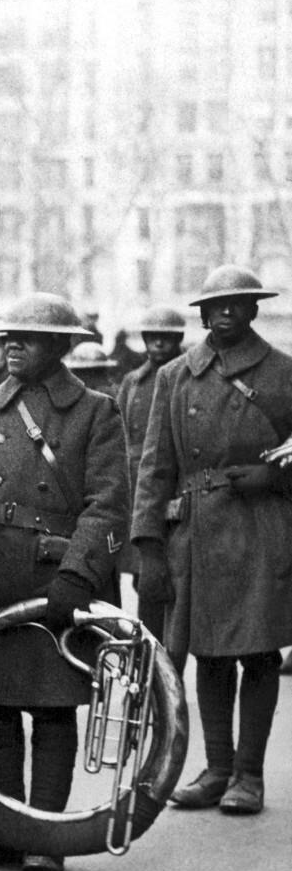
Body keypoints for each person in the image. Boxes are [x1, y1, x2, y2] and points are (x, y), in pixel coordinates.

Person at [0, 294, 127, 871]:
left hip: (55, 578)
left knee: (52, 711)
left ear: (61, 345)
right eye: (8, 336)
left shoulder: (95, 410)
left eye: (29, 336)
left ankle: (45, 832)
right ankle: (3, 830)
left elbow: (108, 504)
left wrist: (78, 573)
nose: (12, 345)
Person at [132, 265, 292, 817]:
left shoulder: (281, 372)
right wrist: (147, 545)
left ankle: (249, 774)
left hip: (263, 527)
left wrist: (278, 477)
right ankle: (217, 767)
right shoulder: (176, 376)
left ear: (253, 309)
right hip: (196, 531)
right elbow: (155, 467)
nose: (226, 312)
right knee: (209, 656)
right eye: (215, 304)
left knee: (260, 653)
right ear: (201, 312)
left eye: (237, 303)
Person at [114, 306, 185, 638]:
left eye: (167, 338)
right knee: (145, 580)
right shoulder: (133, 382)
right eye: (153, 337)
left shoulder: (187, 376)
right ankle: (151, 665)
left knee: (180, 582)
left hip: (178, 490)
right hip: (139, 495)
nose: (159, 344)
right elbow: (122, 435)